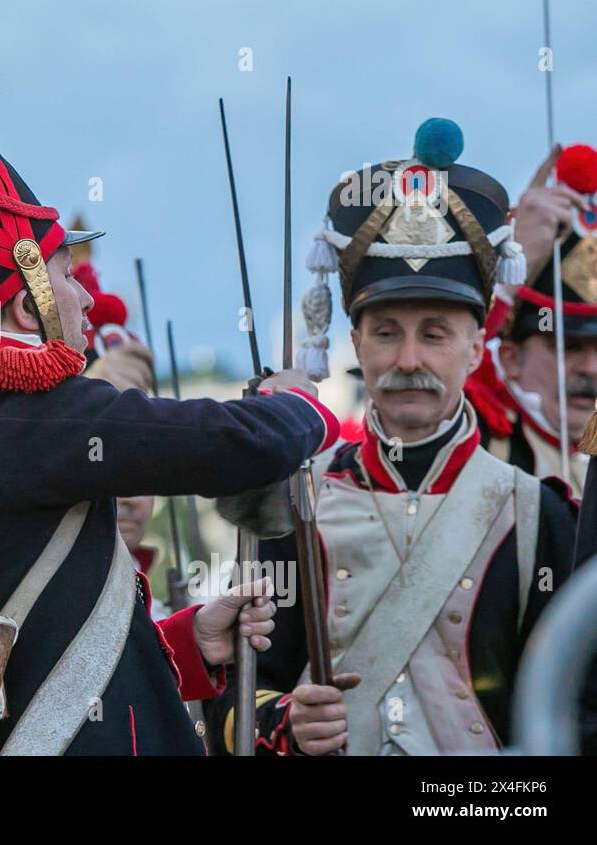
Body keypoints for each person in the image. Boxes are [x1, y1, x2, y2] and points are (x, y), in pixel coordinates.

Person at [0, 61, 340, 754]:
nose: (85, 298)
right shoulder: (18, 409)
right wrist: (301, 408)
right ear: (22, 299)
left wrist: (186, 642)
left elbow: (28, 647)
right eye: (64, 273)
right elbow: (237, 445)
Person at [211, 119, 592, 755]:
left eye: (435, 333)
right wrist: (285, 724)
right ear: (356, 344)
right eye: (386, 332)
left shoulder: (541, 517)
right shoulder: (291, 504)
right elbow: (236, 688)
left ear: (476, 347)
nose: (408, 358)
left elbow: (572, 706)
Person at [465, 144, 597, 495]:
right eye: (569, 347)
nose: (592, 369)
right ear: (510, 359)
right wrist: (505, 280)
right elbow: (438, 372)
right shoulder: (475, 441)